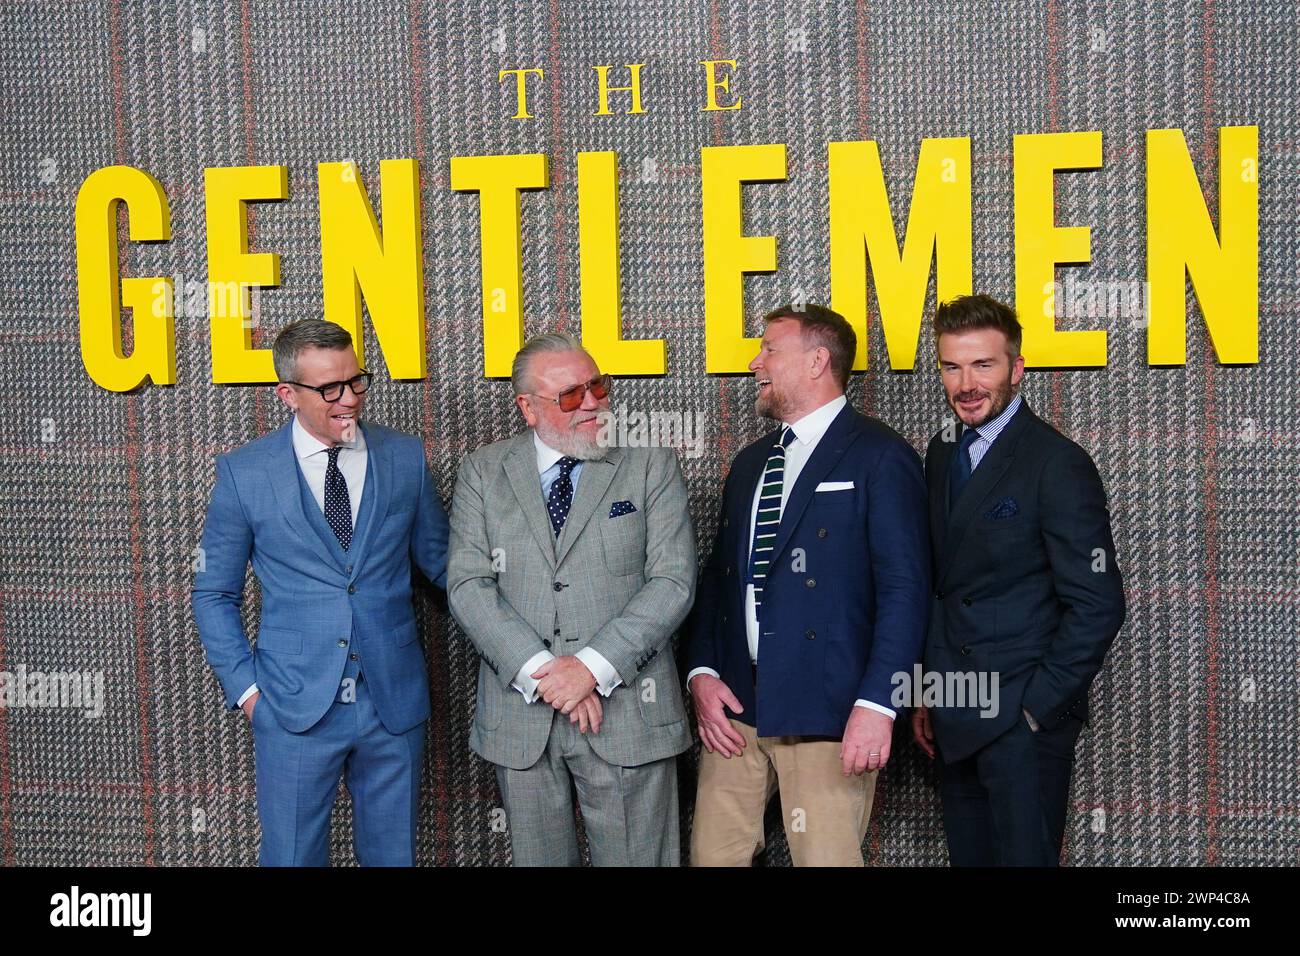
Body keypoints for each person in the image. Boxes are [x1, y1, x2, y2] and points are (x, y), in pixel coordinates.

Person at [192, 319, 448, 866]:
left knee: (394, 857)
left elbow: (444, 569)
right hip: (291, 705)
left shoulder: (405, 457)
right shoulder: (245, 473)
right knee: (290, 857)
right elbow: (214, 593)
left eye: (356, 381)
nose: (349, 399)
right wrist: (249, 694)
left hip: (393, 702)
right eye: (330, 388)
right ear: (288, 394)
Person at [686, 303, 930, 866]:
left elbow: (906, 591)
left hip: (832, 710)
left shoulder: (880, 456)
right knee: (711, 859)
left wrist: (878, 704)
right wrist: (701, 672)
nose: (754, 362)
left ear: (818, 360)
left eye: (770, 348)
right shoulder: (750, 464)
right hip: (737, 709)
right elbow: (720, 579)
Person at [447, 332, 696, 866]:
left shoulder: (651, 465)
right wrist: (546, 673)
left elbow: (673, 582)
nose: (592, 403)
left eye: (598, 387)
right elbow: (468, 586)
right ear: (528, 408)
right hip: (522, 720)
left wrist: (589, 668)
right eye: (570, 396)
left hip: (628, 715)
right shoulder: (483, 472)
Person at [911, 293, 1126, 866]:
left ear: (1017, 368)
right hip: (954, 714)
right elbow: (940, 585)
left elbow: (1099, 603)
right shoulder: (941, 452)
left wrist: (1035, 709)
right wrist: (931, 693)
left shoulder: (1057, 463)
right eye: (952, 367)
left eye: (984, 365)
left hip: (1021, 726)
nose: (967, 383)